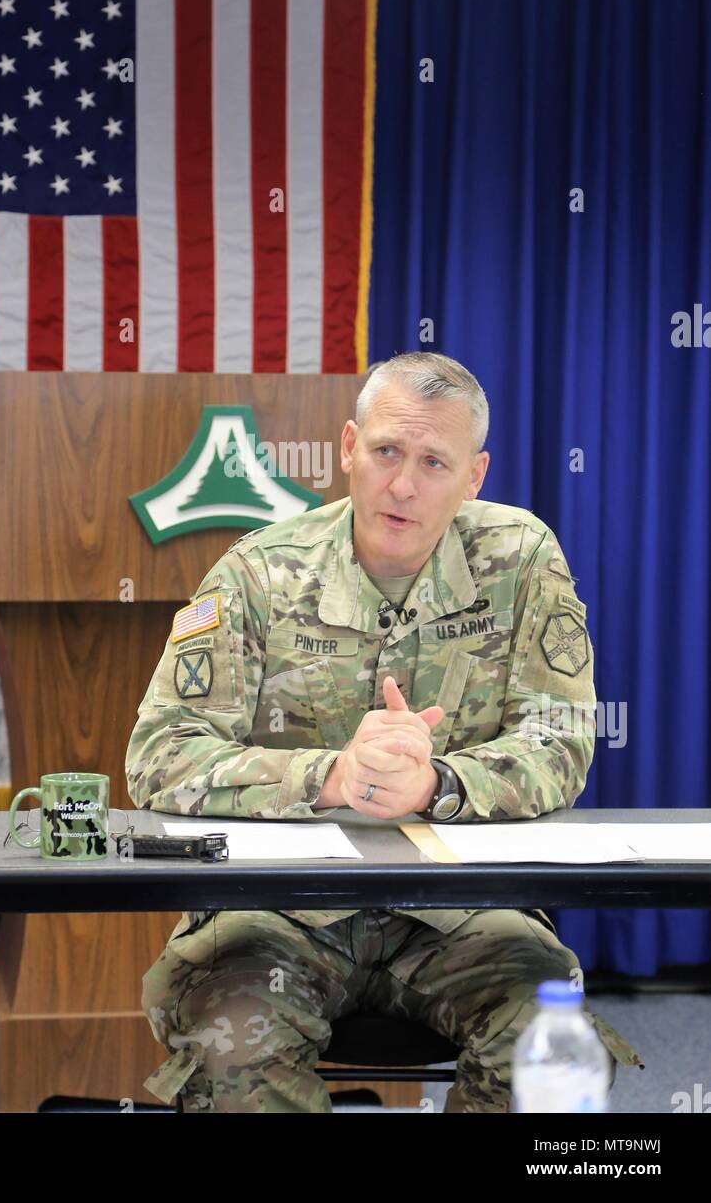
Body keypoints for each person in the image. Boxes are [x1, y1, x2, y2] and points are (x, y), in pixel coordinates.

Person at [125, 351, 645, 1112]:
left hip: (463, 907)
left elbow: (560, 740)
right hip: (279, 910)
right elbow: (160, 752)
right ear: (346, 449)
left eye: (435, 462)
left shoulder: (521, 560)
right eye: (386, 452)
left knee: (550, 1049)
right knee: (233, 1039)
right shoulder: (260, 573)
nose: (403, 485)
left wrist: (439, 783)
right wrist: (330, 778)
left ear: (475, 477)